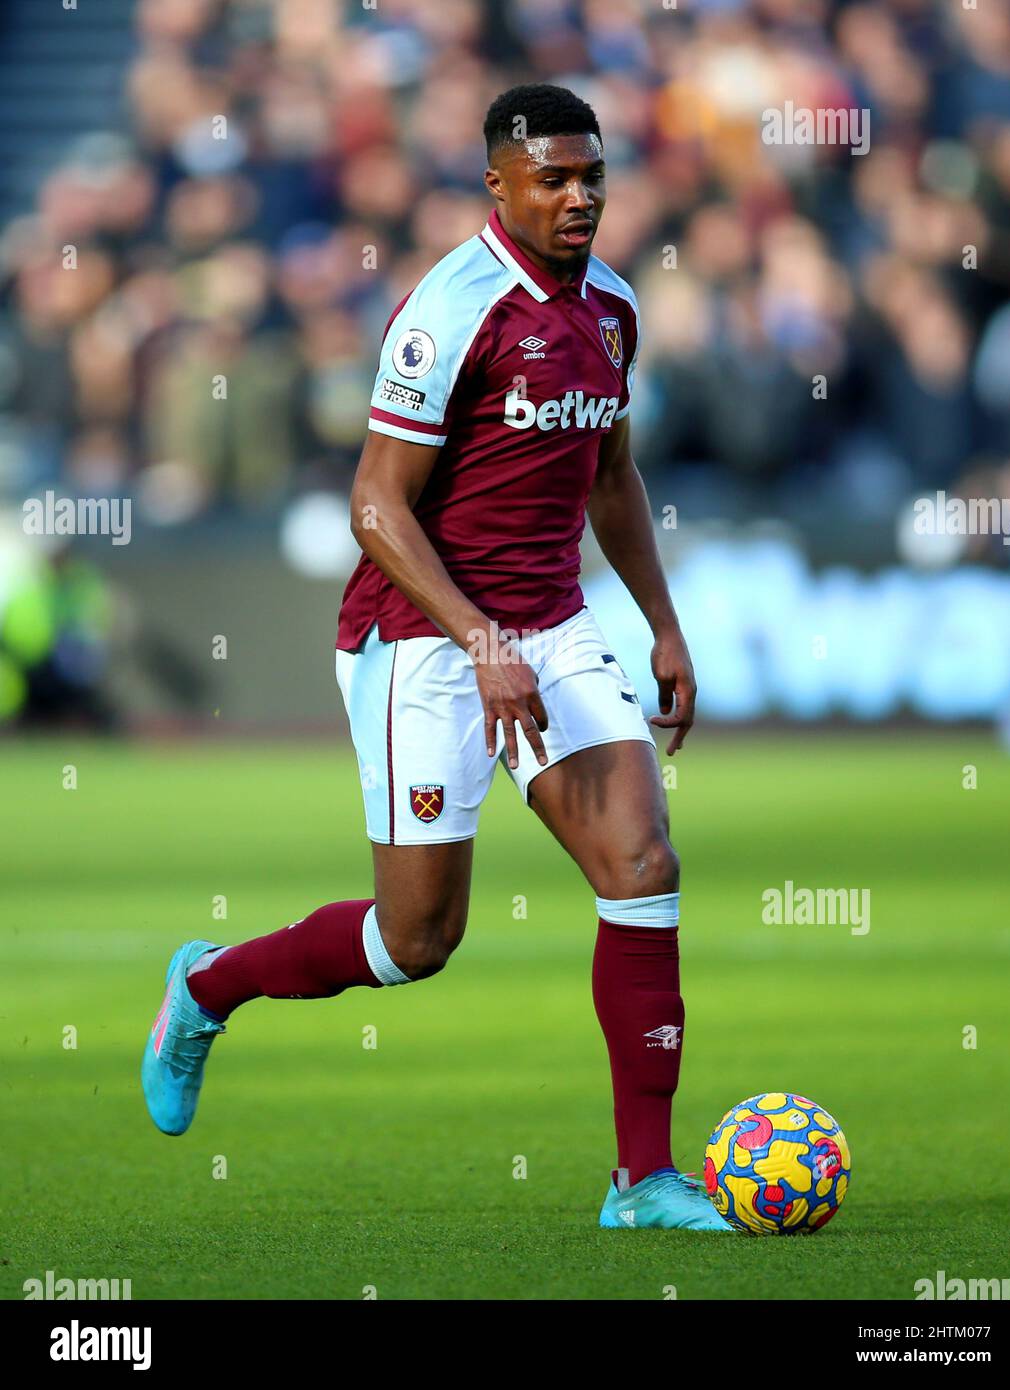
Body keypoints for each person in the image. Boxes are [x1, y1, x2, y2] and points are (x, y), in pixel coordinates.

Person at [142, 83, 730, 1232]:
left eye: (592, 175)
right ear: (497, 184)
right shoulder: (450, 311)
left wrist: (660, 620)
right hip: (424, 636)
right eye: (553, 178)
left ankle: (642, 1181)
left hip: (553, 626)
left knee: (643, 867)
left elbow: (611, 473)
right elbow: (374, 507)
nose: (579, 197)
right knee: (415, 942)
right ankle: (206, 987)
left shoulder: (610, 307)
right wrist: (478, 639)